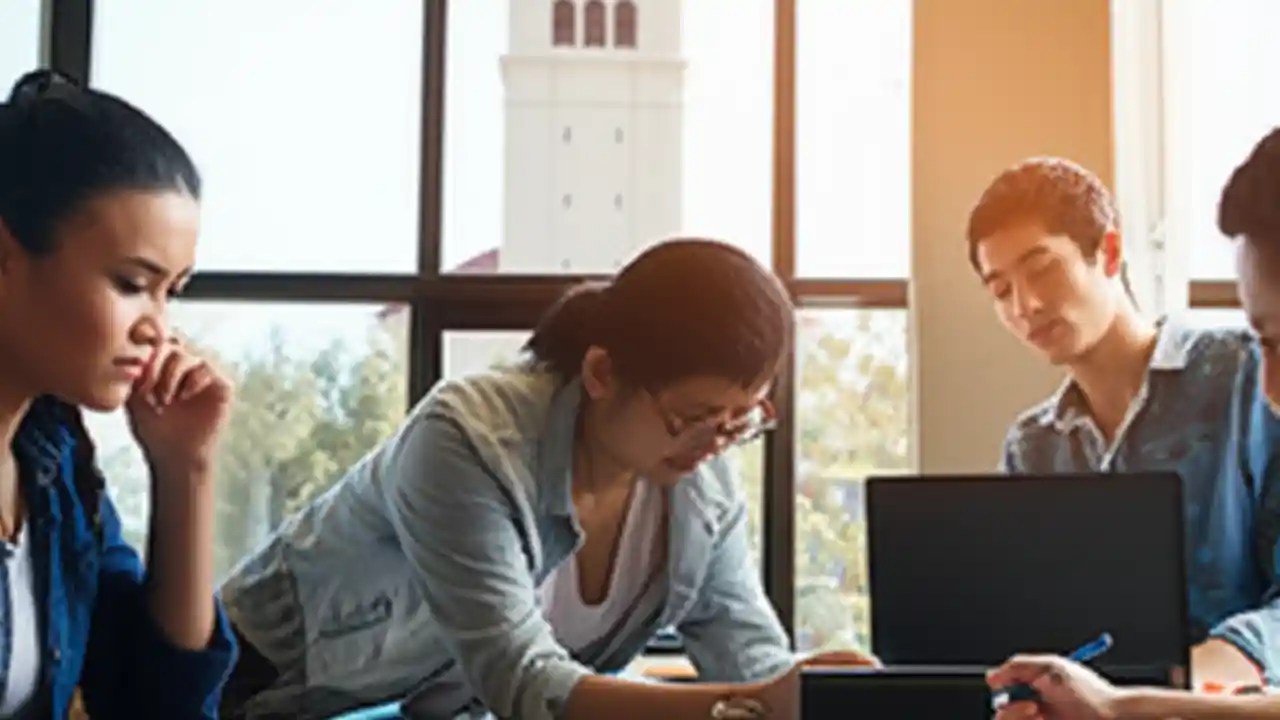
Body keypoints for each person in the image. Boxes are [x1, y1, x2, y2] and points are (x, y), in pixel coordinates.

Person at [218, 239, 867, 720]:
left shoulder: (702, 490)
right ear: (603, 373)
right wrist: (749, 704)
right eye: (692, 417)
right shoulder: (466, 440)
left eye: (739, 422)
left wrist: (819, 692)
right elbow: (520, 679)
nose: (713, 445)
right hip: (249, 693)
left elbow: (747, 654)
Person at [985, 128, 1280, 720]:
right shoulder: (1032, 446)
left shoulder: (1244, 373)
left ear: (1109, 253)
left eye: (1041, 270)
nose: (1026, 305)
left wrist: (1169, 686)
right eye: (1001, 289)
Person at [0, 69, 237, 718]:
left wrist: (185, 468)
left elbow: (159, 704)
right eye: (133, 282)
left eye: (172, 291)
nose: (157, 327)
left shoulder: (54, 463)